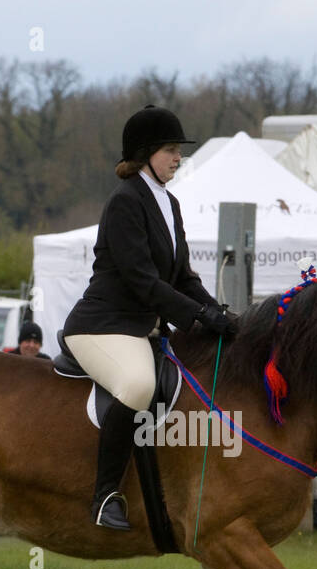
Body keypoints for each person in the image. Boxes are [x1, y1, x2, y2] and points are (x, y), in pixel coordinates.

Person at [62, 105, 235, 530]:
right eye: (171, 150)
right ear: (144, 154)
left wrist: (218, 313)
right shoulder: (125, 202)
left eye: (179, 151)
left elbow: (182, 277)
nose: (178, 158)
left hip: (141, 329)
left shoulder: (168, 203)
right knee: (138, 384)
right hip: (102, 326)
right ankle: (104, 497)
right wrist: (196, 316)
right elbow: (142, 281)